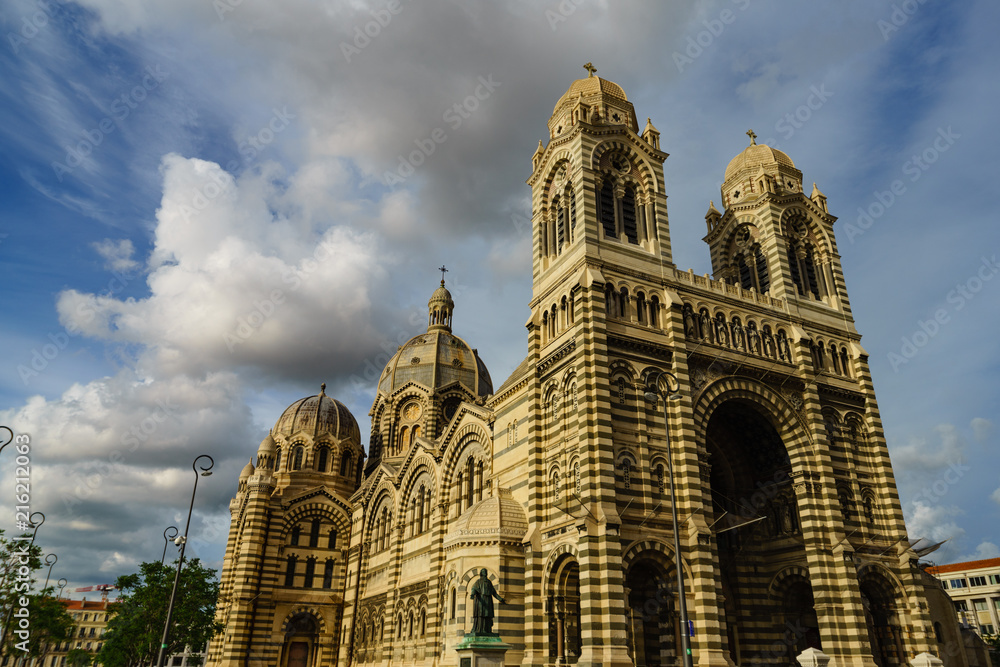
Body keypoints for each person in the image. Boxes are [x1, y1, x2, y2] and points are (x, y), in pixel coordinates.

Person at [470, 568, 505, 635]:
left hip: (488, 600)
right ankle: (479, 629)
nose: (485, 573)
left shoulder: (489, 582)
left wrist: (500, 599)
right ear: (481, 573)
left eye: (485, 571)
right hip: (481, 600)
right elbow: (474, 588)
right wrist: (472, 594)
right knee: (481, 615)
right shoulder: (478, 581)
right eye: (483, 572)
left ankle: (487, 630)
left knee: (487, 615)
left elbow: (494, 593)